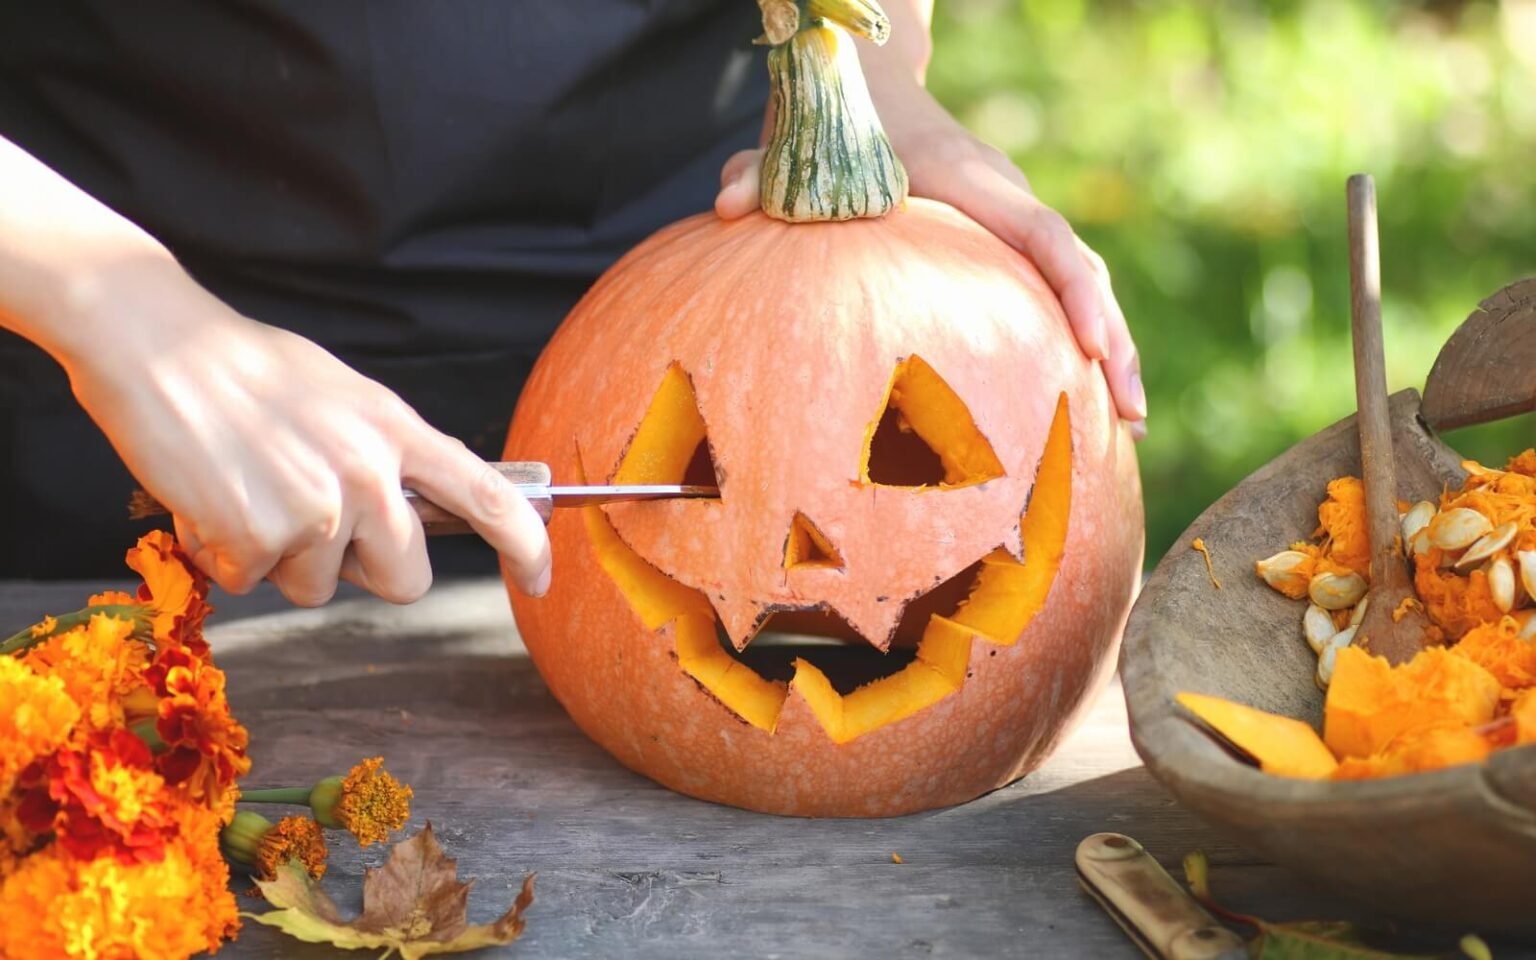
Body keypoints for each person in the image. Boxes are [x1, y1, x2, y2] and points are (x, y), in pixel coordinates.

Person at [0, 1, 1144, 607]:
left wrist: (872, 76)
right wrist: (116, 308)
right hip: (110, 374)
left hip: (689, 272)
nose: (813, 551)